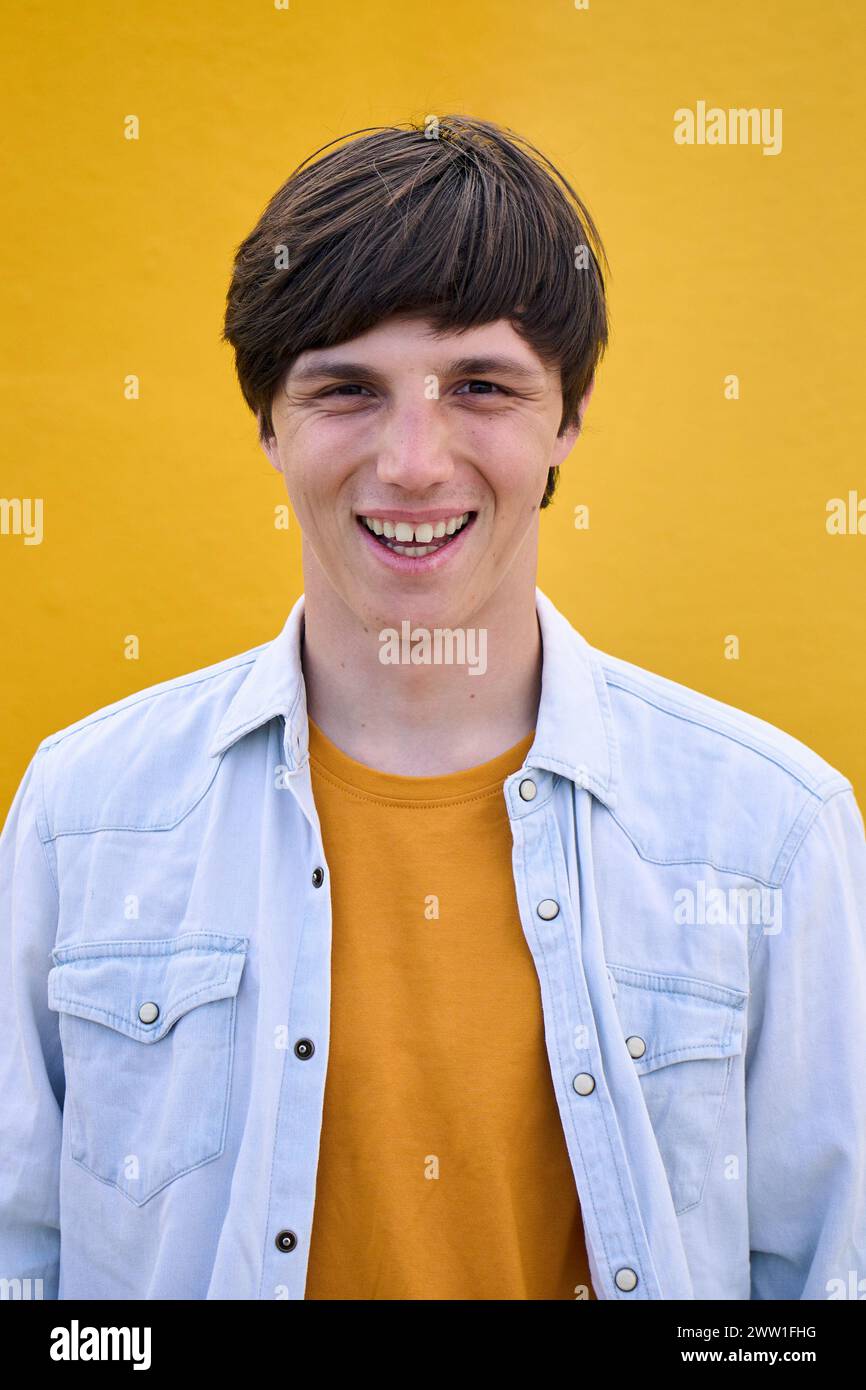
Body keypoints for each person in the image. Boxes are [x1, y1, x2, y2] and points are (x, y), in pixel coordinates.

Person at [1, 114, 864, 1302]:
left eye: (480, 385)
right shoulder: (80, 815)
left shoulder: (770, 830)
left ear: (566, 417)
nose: (412, 460)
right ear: (269, 424)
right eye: (345, 387)